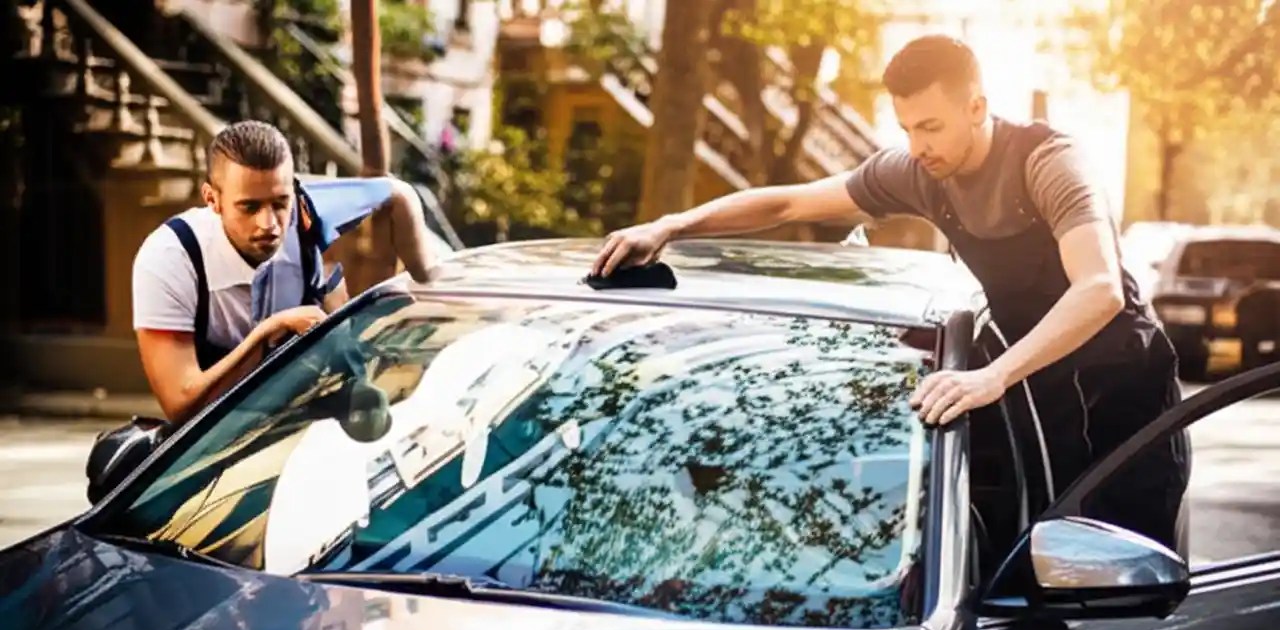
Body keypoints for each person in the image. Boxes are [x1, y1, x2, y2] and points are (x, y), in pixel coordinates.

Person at [590, 35, 1189, 551]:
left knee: (1123, 582)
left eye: (930, 126)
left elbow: (1100, 290)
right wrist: (671, 225)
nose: (918, 144)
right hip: (1037, 389)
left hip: (1122, 396)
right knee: (1027, 568)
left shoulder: (1049, 162)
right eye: (906, 128)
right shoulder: (920, 174)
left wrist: (993, 376)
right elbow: (789, 202)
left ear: (977, 106)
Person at [131, 120, 443, 426]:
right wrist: (271, 330)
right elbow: (181, 406)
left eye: (280, 203)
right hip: (219, 425)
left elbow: (398, 194)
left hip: (298, 407)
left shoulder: (307, 211)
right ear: (212, 199)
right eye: (249, 207)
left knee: (378, 409)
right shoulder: (170, 258)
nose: (269, 224)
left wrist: (426, 276)